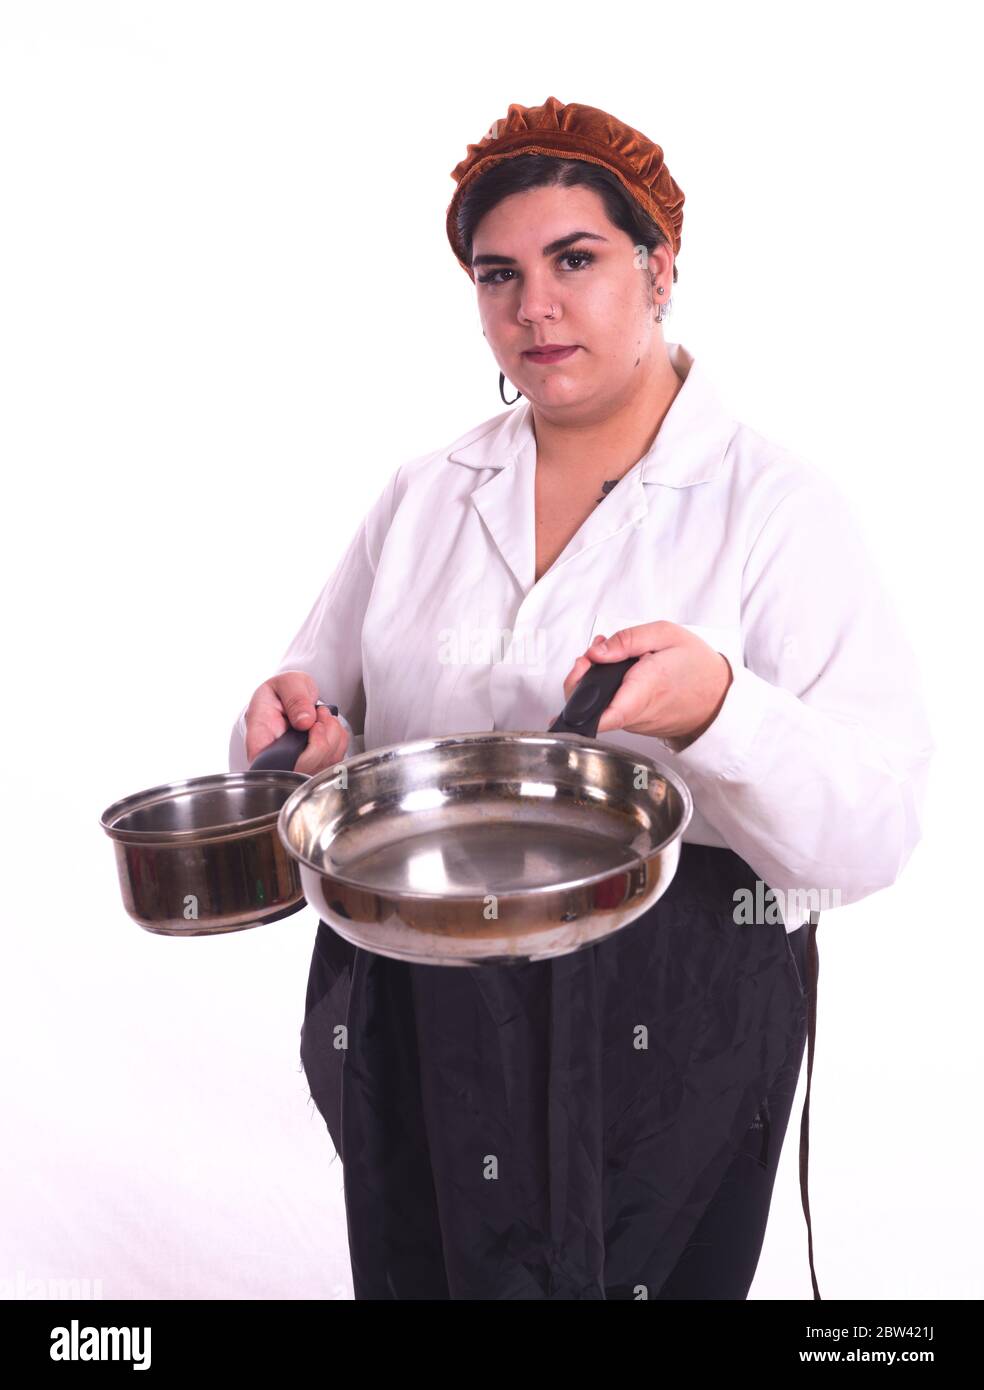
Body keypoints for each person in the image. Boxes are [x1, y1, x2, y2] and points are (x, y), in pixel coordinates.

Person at [229, 97, 934, 1300]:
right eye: (497, 274)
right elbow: (318, 715)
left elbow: (871, 835)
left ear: (661, 268)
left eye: (575, 260)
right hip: (425, 994)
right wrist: (297, 742)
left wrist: (719, 707)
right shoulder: (425, 493)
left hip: (668, 1011)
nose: (532, 308)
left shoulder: (776, 510)